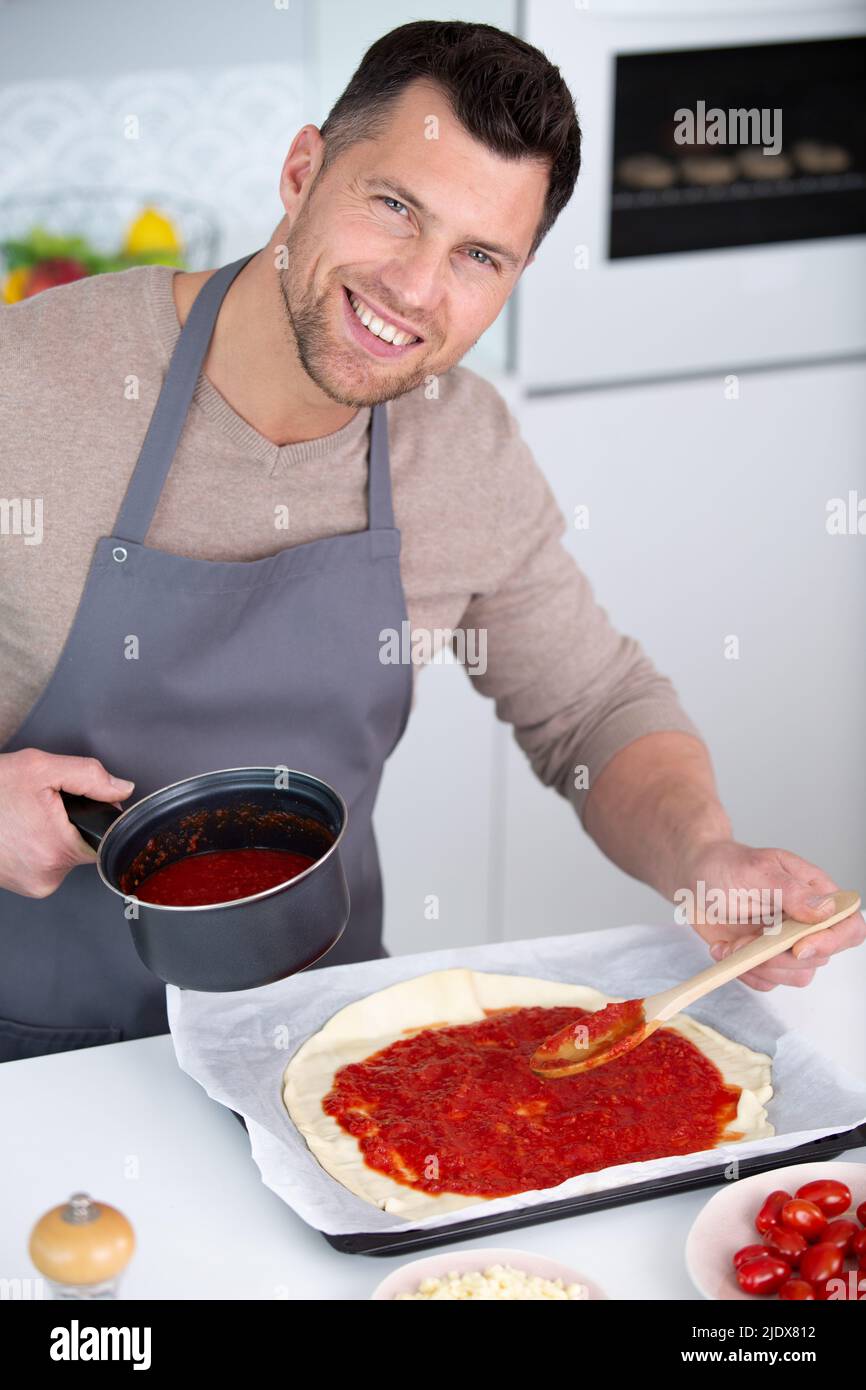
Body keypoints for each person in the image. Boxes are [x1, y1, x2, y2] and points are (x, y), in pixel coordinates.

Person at [0, 20, 860, 1063]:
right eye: (395, 207)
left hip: (319, 1047)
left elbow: (591, 707)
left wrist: (702, 851)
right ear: (301, 169)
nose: (413, 287)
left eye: (477, 255)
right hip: (31, 1054)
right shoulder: (29, 384)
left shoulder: (460, 445)